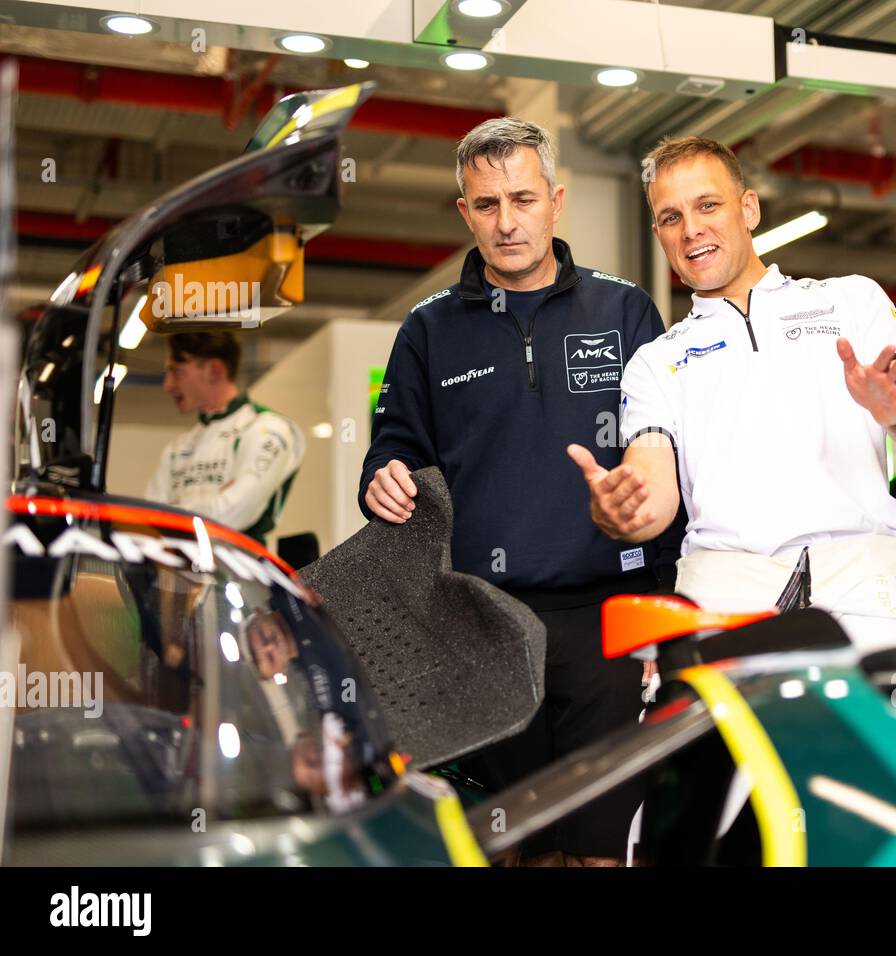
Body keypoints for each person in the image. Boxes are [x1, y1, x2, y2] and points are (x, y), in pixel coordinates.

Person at [359, 117, 679, 866]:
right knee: (518, 852)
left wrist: (669, 608)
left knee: (603, 850)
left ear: (556, 200)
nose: (507, 222)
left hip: (611, 621)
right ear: (464, 213)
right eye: (487, 204)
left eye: (523, 199)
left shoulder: (625, 311)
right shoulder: (428, 331)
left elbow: (670, 459)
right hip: (485, 631)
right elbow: (395, 447)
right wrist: (383, 477)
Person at [568, 136, 896, 651]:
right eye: (671, 217)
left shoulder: (852, 299)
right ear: (658, 233)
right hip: (726, 588)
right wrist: (625, 513)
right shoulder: (654, 362)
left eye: (708, 205)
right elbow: (653, 492)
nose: (692, 230)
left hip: (865, 578)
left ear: (749, 208)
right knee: (714, 730)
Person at [146, 332, 303, 545]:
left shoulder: (267, 428)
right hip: (177, 571)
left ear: (214, 370)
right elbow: (148, 519)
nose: (168, 384)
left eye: (176, 371)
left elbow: (231, 515)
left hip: (240, 572)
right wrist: (213, 501)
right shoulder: (178, 446)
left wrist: (172, 512)